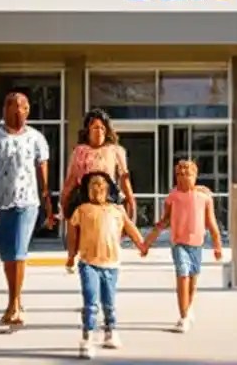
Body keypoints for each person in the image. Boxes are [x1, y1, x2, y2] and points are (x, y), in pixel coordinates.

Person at [0, 91, 55, 326]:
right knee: (7, 255)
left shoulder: (36, 138)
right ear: (5, 109)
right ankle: (15, 299)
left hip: (27, 202)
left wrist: (49, 205)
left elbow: (43, 175)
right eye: (12, 106)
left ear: (28, 111)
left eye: (22, 106)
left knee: (19, 251)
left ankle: (13, 304)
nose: (17, 110)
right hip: (2, 203)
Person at [65, 171, 148, 360]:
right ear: (87, 190)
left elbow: (130, 227)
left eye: (101, 185)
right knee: (91, 302)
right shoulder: (82, 210)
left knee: (109, 303)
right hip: (88, 263)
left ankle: (110, 330)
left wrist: (141, 244)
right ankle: (87, 337)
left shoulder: (117, 210)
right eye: (93, 185)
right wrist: (71, 256)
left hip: (111, 264)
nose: (97, 188)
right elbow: (72, 235)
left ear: (109, 189)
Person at [141, 159, 222, 333]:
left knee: (193, 279)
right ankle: (183, 316)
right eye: (179, 174)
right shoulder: (173, 196)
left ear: (195, 176)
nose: (183, 177)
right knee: (183, 274)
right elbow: (164, 221)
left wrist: (217, 245)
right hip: (179, 243)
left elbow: (211, 222)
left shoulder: (204, 197)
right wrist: (147, 242)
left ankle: (188, 307)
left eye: (187, 174)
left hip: (197, 244)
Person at [60, 109, 136, 222]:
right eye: (95, 128)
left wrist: (131, 203)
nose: (99, 131)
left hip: (109, 202)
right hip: (85, 202)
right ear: (88, 130)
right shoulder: (79, 151)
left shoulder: (116, 151)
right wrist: (64, 203)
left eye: (102, 128)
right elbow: (72, 179)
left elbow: (124, 179)